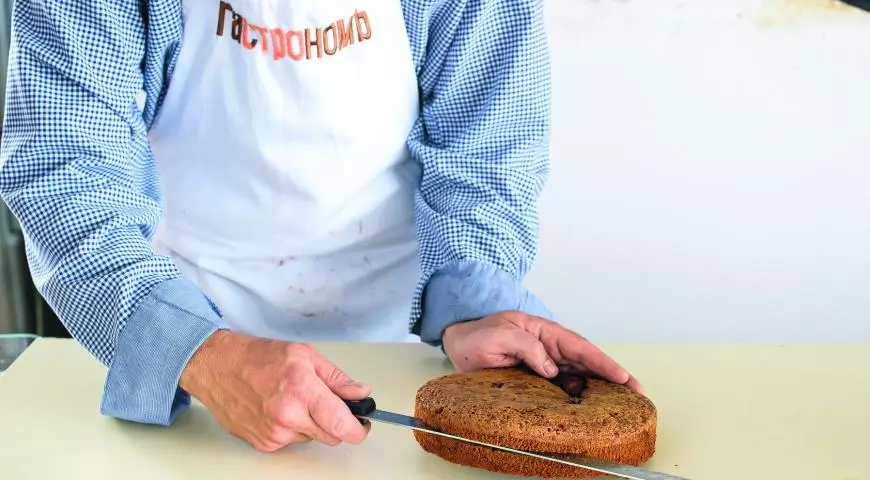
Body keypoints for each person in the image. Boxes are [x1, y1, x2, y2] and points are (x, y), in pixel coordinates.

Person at [0, 0, 642, 452]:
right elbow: (65, 170)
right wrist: (196, 351)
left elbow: (487, 152)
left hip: (409, 354)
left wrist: (473, 304)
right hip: (185, 351)